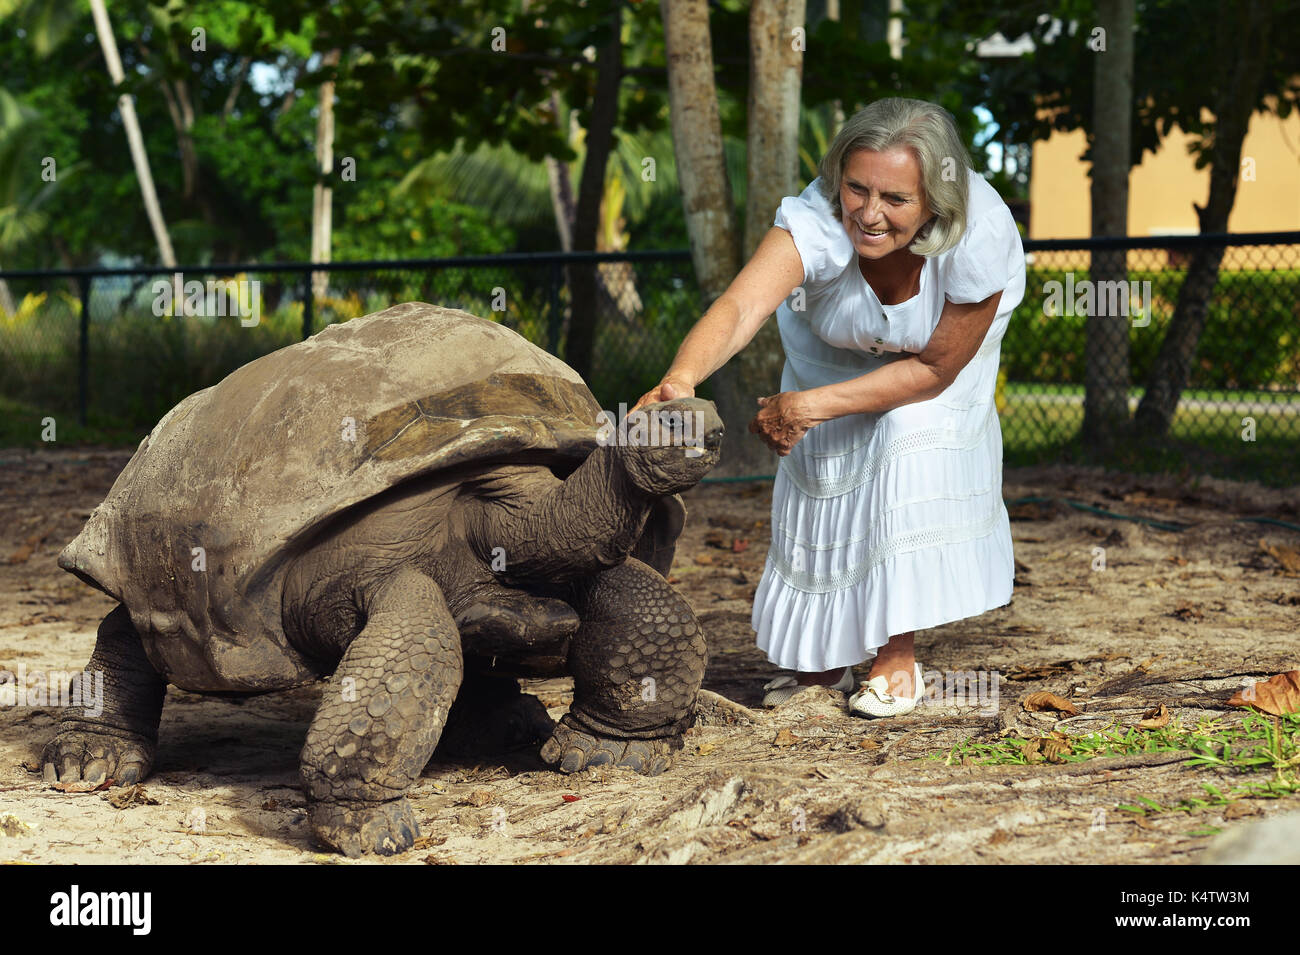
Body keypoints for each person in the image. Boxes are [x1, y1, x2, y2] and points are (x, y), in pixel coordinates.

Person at [632, 97, 1024, 717]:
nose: (869, 214)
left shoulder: (980, 233)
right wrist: (680, 379)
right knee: (823, 467)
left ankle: (897, 658)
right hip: (833, 350)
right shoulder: (815, 217)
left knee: (905, 433)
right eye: (856, 188)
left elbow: (935, 370)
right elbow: (741, 309)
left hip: (937, 364)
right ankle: (822, 661)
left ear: (934, 203)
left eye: (895, 199)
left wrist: (809, 405)